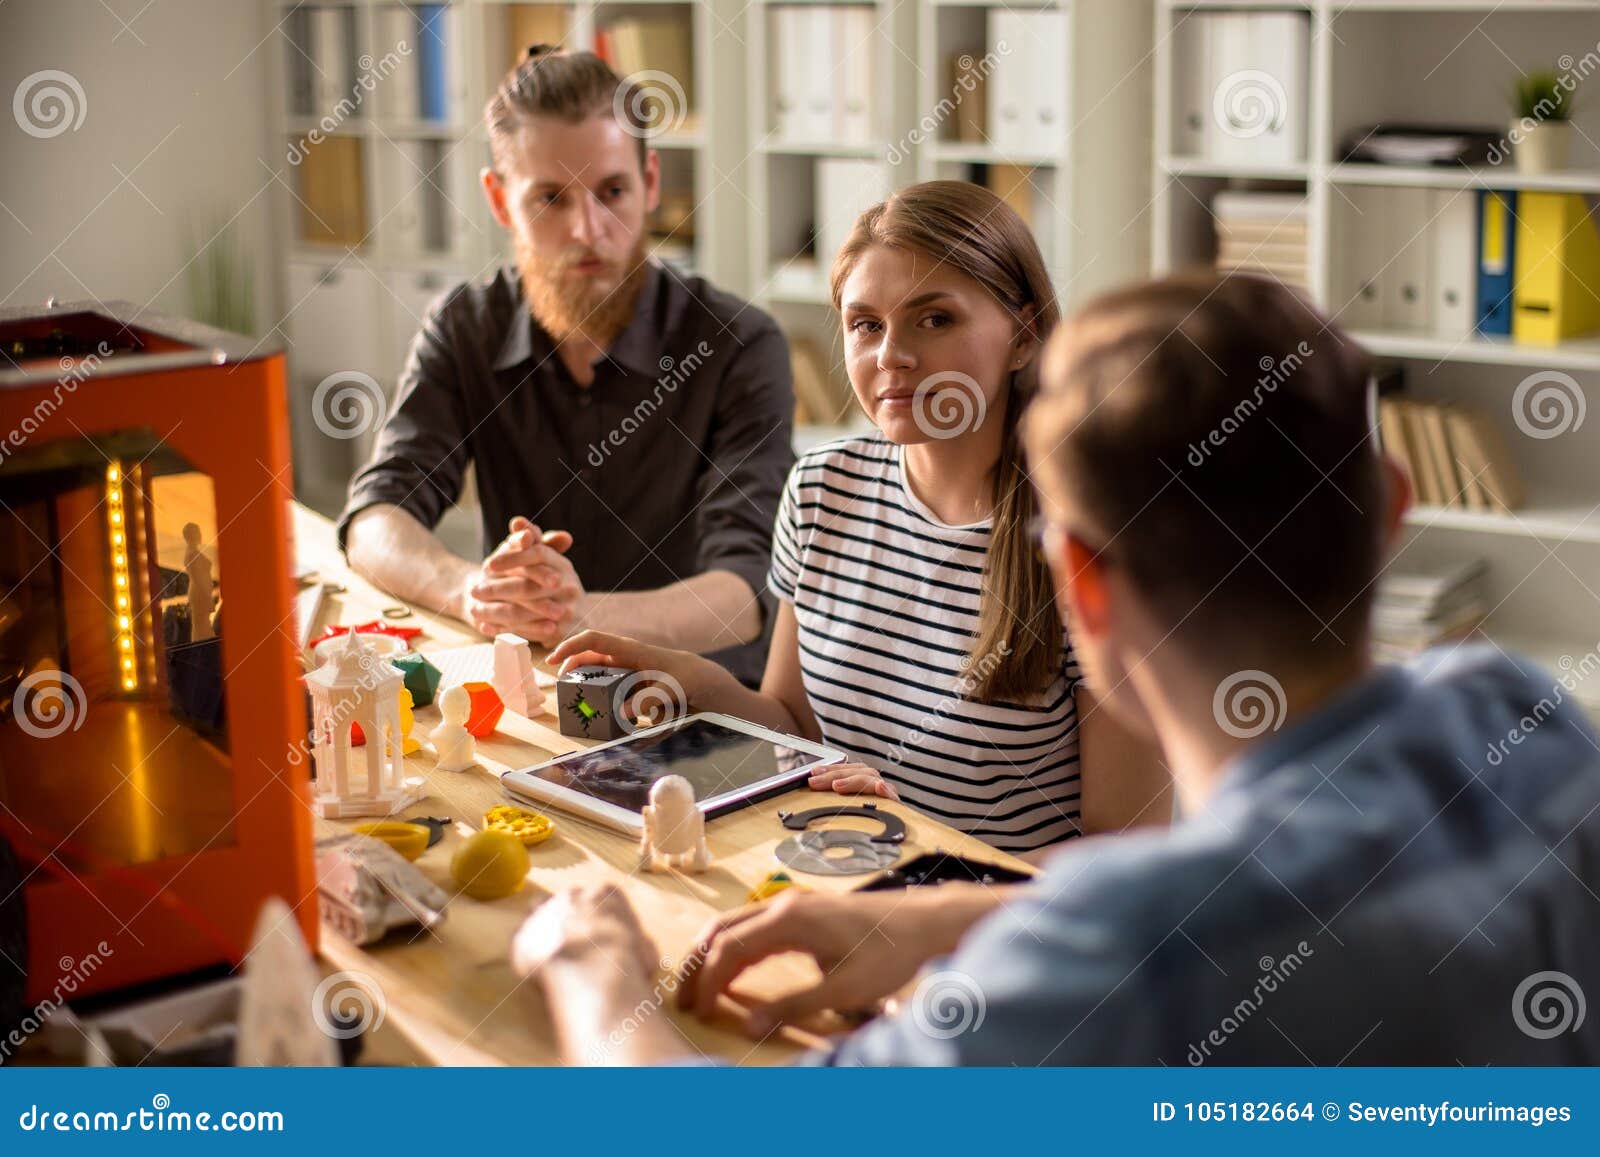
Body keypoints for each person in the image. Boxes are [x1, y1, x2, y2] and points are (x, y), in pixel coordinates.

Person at [514, 273, 1600, 1065]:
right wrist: (950, 918)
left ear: (1078, 581)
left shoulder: (1105, 966)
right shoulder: (1521, 712)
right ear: (1392, 512)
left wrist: (591, 960)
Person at [550, 181, 1170, 855]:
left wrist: (920, 854)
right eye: (866, 325)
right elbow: (794, 726)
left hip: (989, 934)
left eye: (934, 319)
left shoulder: (1094, 538)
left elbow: (1127, 850)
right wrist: (700, 683)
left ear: (1022, 335)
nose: (891, 355)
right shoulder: (822, 488)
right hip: (839, 881)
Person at [339, 48, 793, 685]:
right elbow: (374, 518)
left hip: (698, 704)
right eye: (551, 198)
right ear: (499, 201)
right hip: (538, 690)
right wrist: (470, 589)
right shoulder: (466, 326)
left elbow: (746, 598)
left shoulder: (740, 344)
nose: (588, 230)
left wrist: (577, 615)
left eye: (612, 191)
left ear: (651, 182)